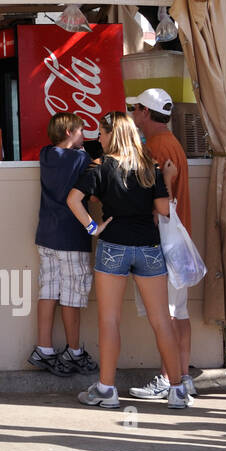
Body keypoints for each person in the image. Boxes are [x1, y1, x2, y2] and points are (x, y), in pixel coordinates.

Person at [67, 111, 188, 410]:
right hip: (148, 246)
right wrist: (168, 180)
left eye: (102, 133)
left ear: (112, 135)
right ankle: (177, 389)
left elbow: (73, 199)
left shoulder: (100, 166)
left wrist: (93, 228)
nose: (99, 138)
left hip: (113, 245)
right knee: (162, 321)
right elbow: (164, 210)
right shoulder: (150, 166)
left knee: (109, 320)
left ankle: (107, 389)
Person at [126, 88, 197, 401]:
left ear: (143, 111)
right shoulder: (171, 142)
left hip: (161, 242)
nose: (132, 115)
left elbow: (160, 202)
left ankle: (170, 379)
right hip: (179, 240)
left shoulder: (155, 146)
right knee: (178, 313)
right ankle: (181, 375)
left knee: (165, 315)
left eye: (135, 109)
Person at [27, 113, 99, 377]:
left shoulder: (45, 154)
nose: (85, 136)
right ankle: (74, 350)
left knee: (48, 290)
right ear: (69, 131)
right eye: (81, 131)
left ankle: (44, 348)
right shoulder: (81, 160)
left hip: (46, 234)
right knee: (72, 296)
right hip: (72, 236)